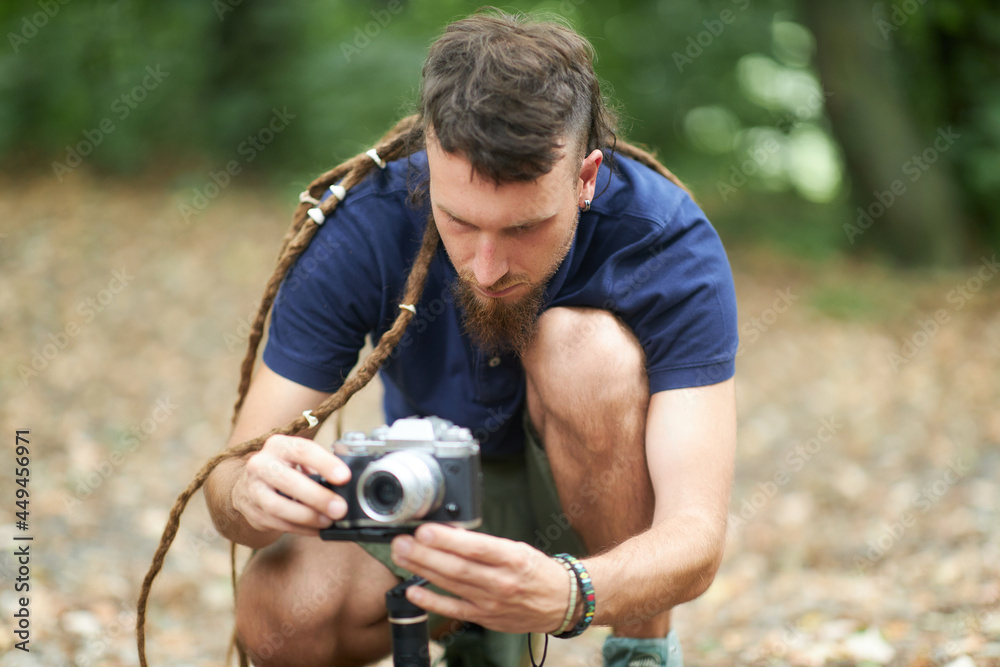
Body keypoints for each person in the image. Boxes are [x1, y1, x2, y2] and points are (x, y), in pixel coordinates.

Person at [203, 10, 738, 667]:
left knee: (582, 349)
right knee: (283, 610)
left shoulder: (667, 242)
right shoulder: (363, 226)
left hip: (595, 520)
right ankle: (475, 639)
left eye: (523, 229)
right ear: (430, 165)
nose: (486, 269)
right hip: (425, 508)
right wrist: (252, 497)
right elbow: (228, 479)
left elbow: (695, 536)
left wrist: (568, 592)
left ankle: (641, 650)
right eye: (458, 221)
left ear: (586, 177)